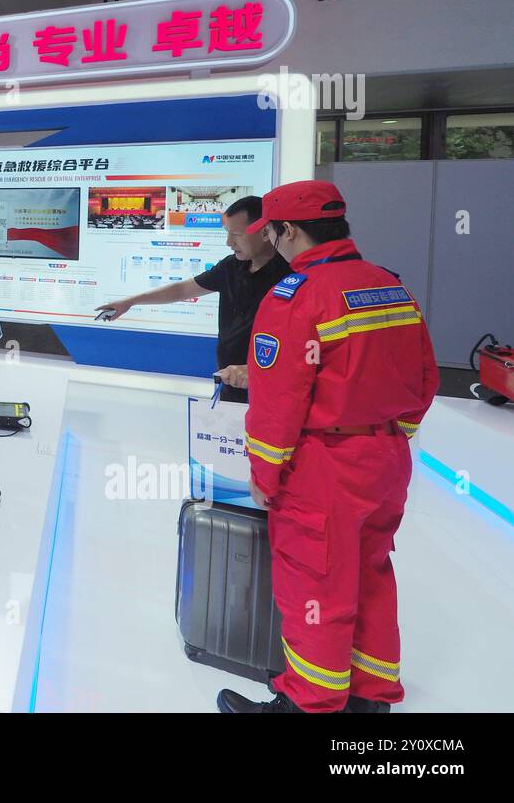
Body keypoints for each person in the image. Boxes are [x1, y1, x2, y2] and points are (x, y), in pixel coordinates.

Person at [216, 180, 438, 714]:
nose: (270, 241)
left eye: (270, 231)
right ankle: (370, 698)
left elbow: (278, 404)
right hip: (386, 462)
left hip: (323, 470)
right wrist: (389, 439)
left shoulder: (298, 296)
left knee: (315, 586)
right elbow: (425, 378)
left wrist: (264, 475)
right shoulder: (389, 285)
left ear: (289, 230)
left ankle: (309, 703)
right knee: (371, 576)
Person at [98, 196, 289, 402]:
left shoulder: (289, 274)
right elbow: (180, 290)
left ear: (264, 232)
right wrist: (129, 302)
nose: (229, 243)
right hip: (228, 385)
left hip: (270, 388)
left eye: (236, 234)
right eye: (227, 234)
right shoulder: (231, 266)